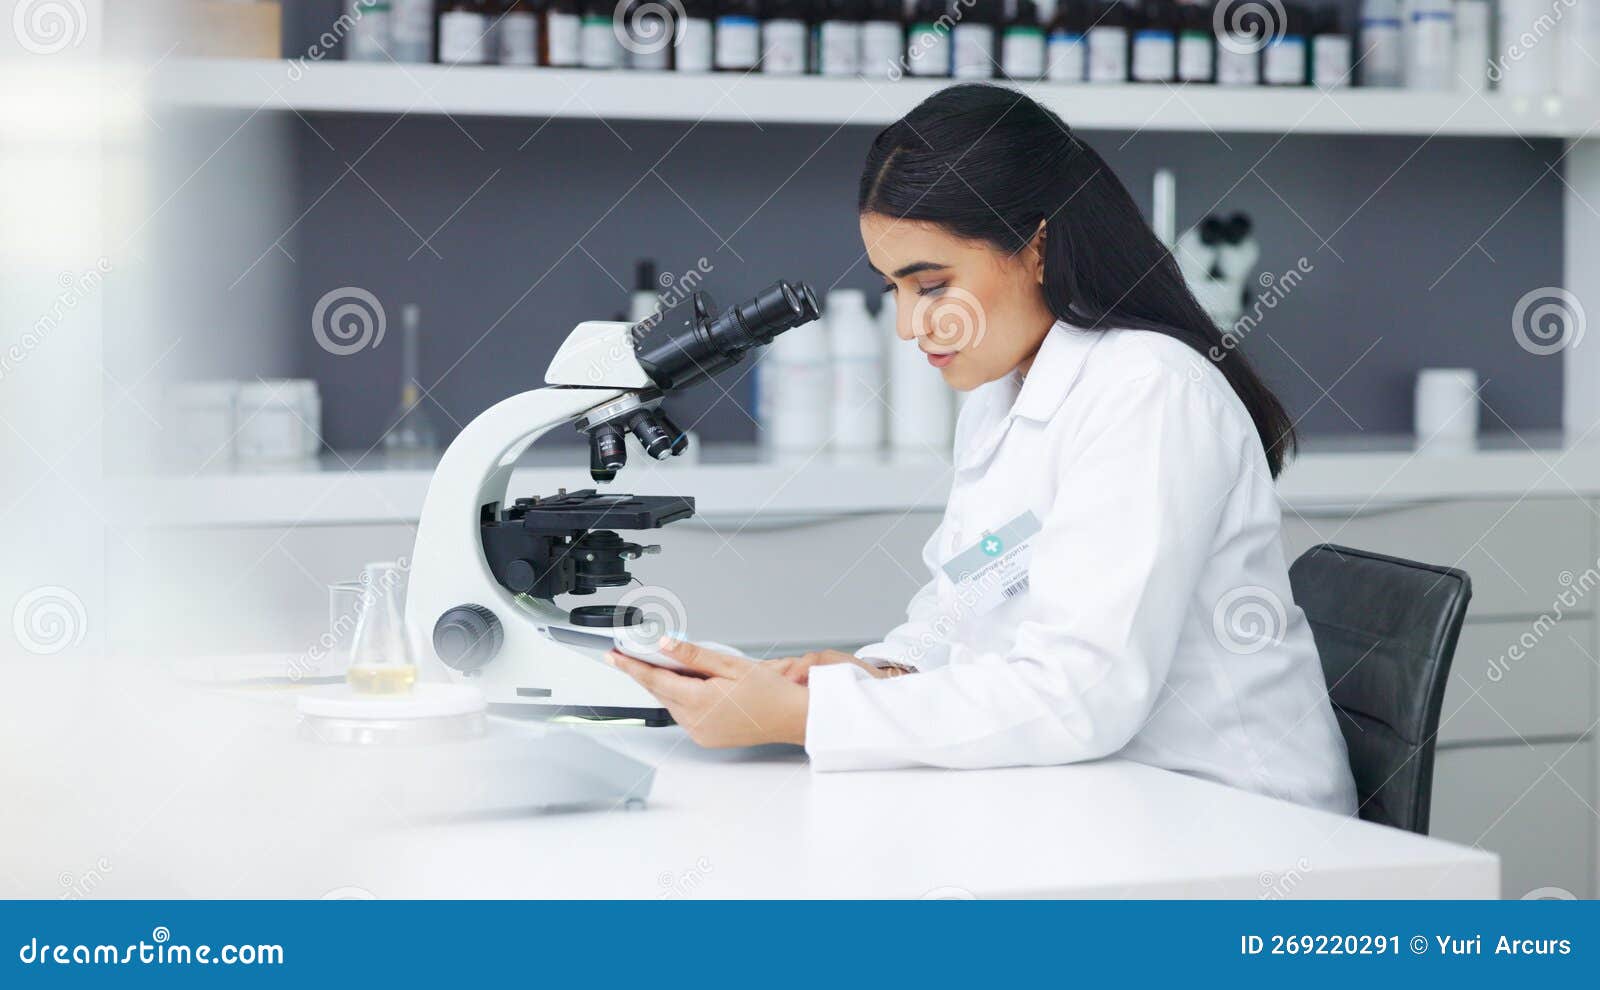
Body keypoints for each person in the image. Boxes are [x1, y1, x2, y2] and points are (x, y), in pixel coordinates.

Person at [608, 84, 1357, 816]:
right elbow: (961, 602)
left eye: (931, 285)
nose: (908, 327)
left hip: (1237, 822)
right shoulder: (1003, 392)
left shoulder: (1149, 391)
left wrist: (807, 720)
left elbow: (1080, 694)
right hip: (1094, 795)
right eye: (893, 290)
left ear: (1036, 245)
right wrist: (877, 673)